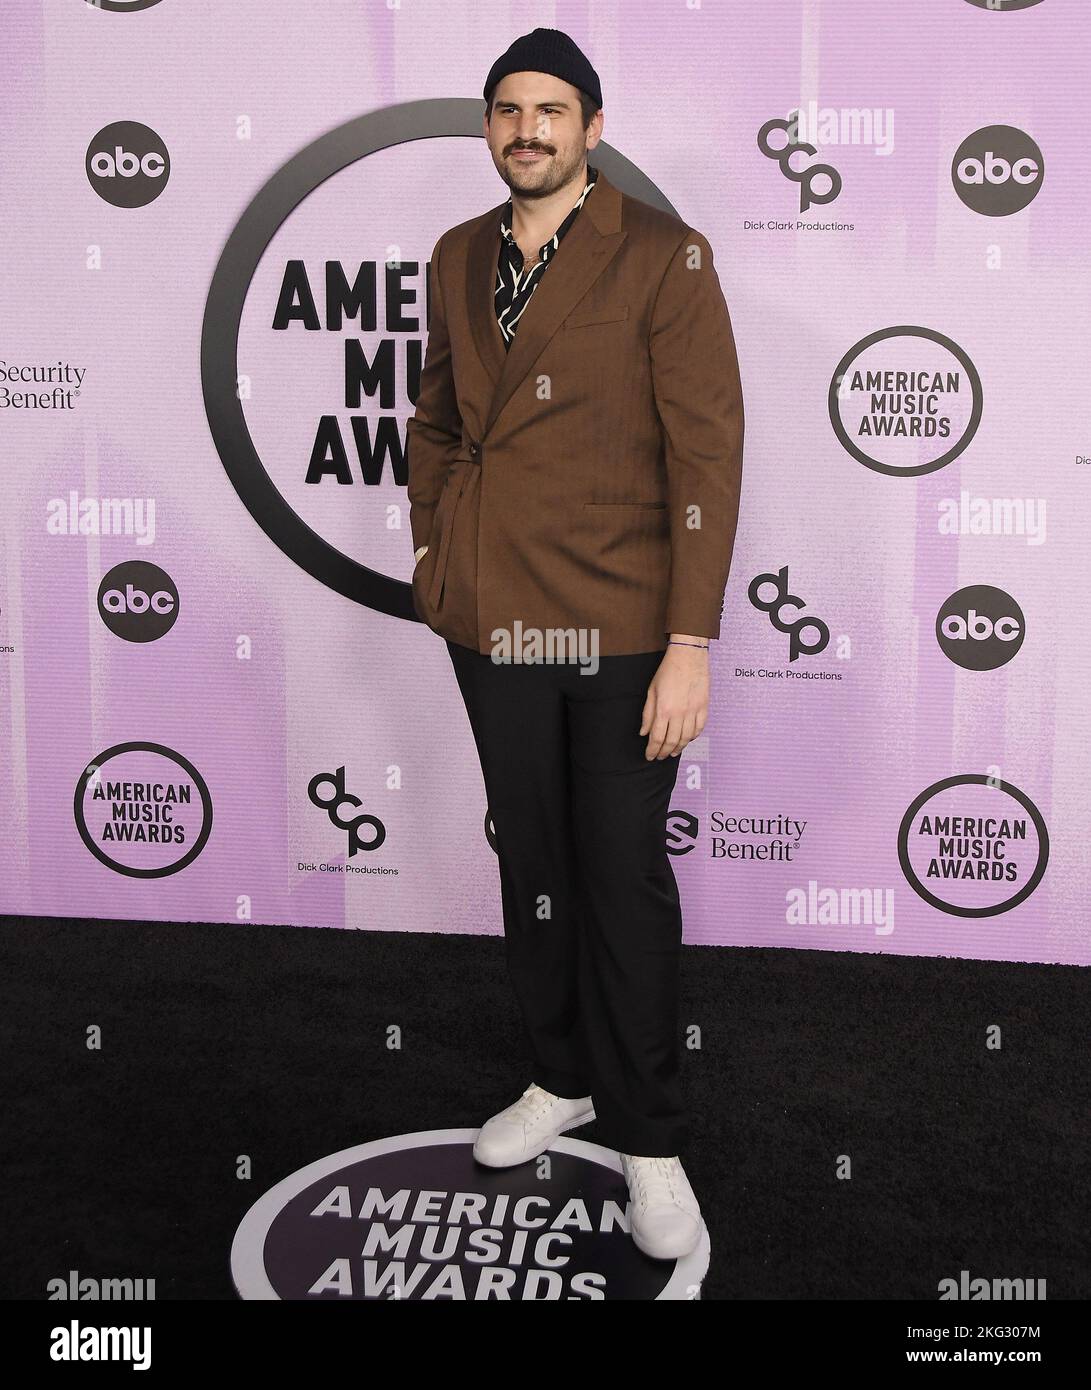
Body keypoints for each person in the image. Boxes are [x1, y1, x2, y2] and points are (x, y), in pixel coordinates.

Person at [407, 27, 744, 1261]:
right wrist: (437, 548)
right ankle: (560, 1076)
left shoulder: (662, 256)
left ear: (591, 128)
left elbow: (705, 456)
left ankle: (650, 1141)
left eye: (551, 110)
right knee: (531, 857)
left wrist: (691, 640)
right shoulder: (453, 255)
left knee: (619, 877)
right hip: (493, 621)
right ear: (489, 126)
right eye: (507, 109)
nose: (527, 130)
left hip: (614, 632)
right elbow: (438, 418)